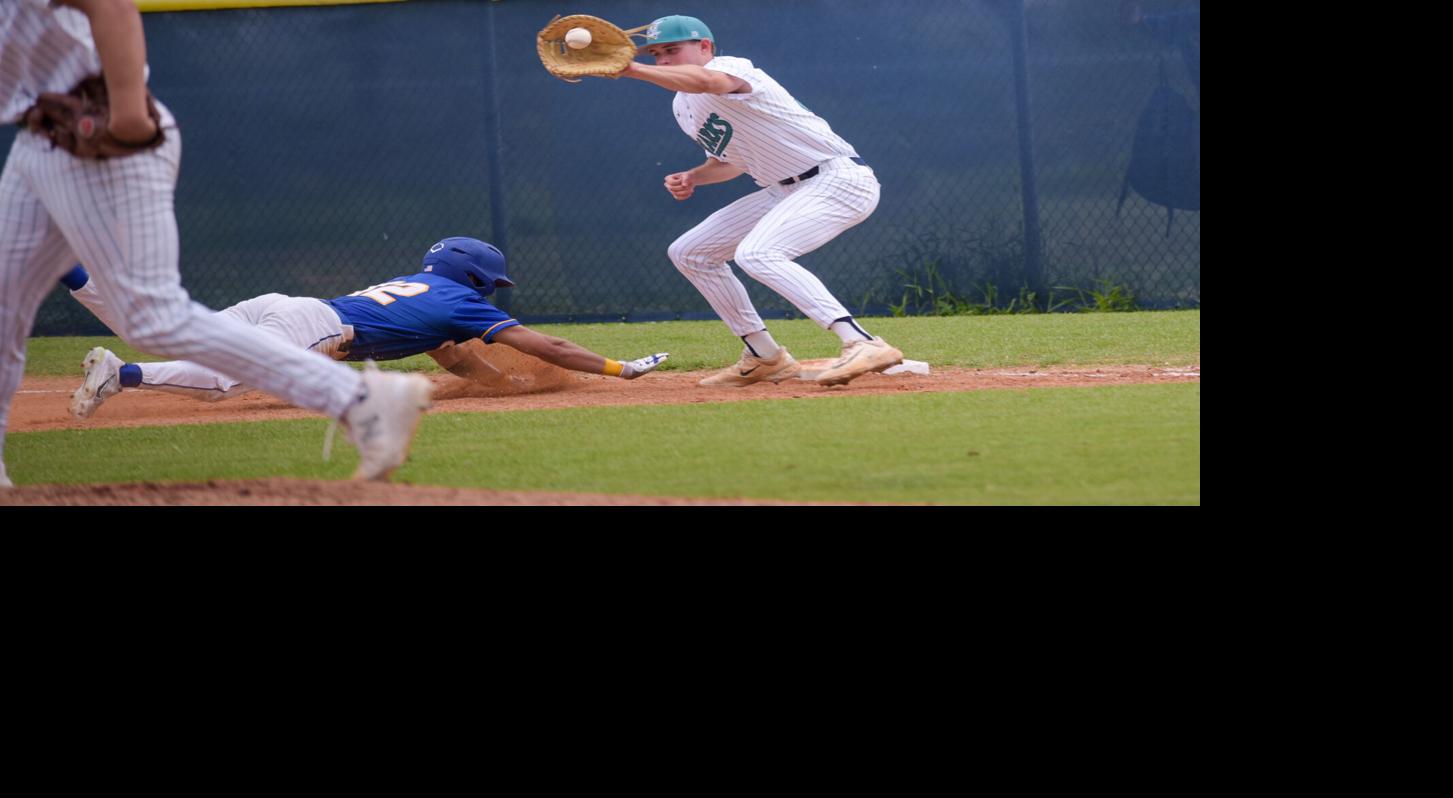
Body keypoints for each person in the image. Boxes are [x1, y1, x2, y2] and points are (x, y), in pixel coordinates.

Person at [1, 0, 430, 486]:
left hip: (98, 133)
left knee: (152, 316)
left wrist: (126, 116)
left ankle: (357, 399)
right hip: (36, 142)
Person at [61, 236, 668, 416]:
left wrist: (499, 385)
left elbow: (452, 357)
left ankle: (76, 274)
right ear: (478, 279)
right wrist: (619, 368)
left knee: (164, 326)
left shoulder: (425, 291)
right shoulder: (463, 301)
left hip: (284, 306)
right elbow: (549, 344)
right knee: (231, 377)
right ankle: (123, 375)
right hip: (314, 326)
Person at [615, 14, 903, 388]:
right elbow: (730, 163)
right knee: (690, 252)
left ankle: (861, 342)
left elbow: (707, 81)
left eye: (672, 50)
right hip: (783, 190)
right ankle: (766, 356)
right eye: (656, 54)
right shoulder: (682, 107)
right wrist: (695, 176)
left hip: (837, 178)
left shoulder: (728, 67)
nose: (664, 60)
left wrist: (632, 69)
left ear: (705, 47)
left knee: (758, 254)